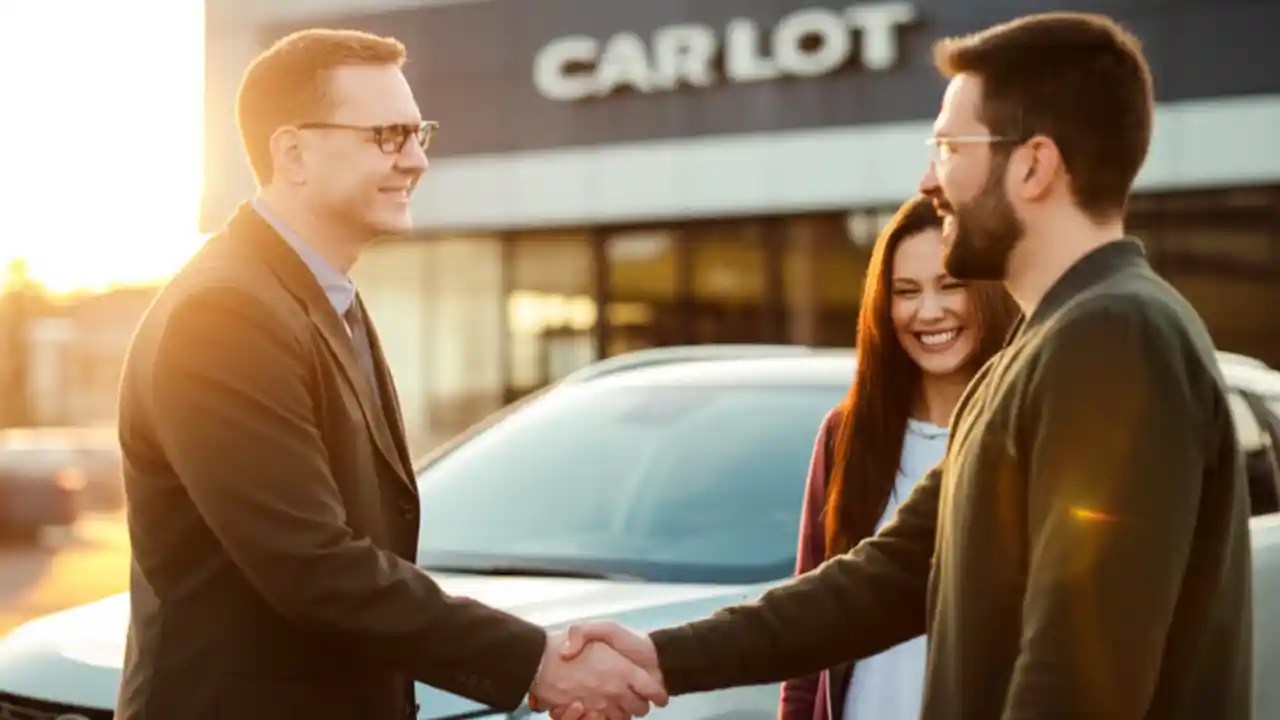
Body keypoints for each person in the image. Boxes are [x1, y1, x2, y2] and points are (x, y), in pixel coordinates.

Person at [554, 11, 1252, 720]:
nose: (929, 179)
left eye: (949, 146)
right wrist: (663, 655)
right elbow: (883, 580)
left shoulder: (1114, 337)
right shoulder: (1040, 352)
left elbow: (1079, 675)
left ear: (1034, 165)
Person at [114, 29, 664, 720]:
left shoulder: (318, 295)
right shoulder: (226, 314)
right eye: (389, 136)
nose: (418, 160)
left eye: (419, 132)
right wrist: (534, 661)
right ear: (293, 153)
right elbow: (311, 565)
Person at [780, 194, 1015, 720]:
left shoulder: (1024, 429)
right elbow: (809, 627)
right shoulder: (848, 436)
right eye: (905, 292)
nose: (928, 312)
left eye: (950, 285)